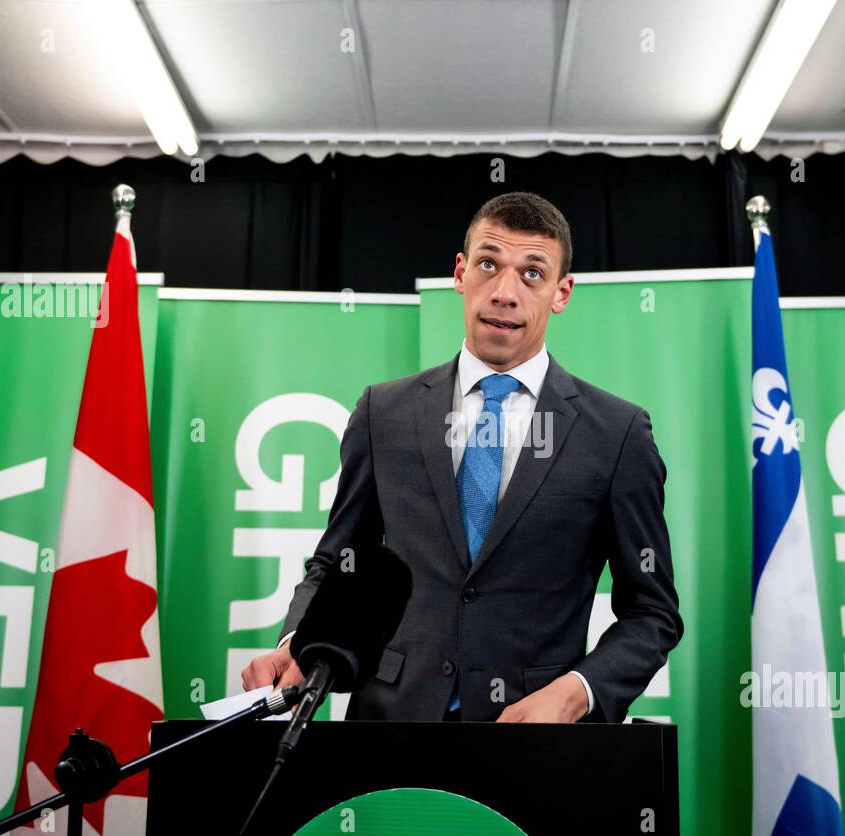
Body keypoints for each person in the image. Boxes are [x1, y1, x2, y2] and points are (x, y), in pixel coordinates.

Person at [242, 191, 681, 722]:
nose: (504, 292)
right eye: (489, 264)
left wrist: (575, 692)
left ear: (562, 293)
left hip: (534, 746)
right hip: (389, 728)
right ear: (460, 272)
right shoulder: (384, 412)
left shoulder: (616, 433)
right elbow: (339, 562)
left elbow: (651, 613)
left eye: (532, 274)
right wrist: (298, 639)